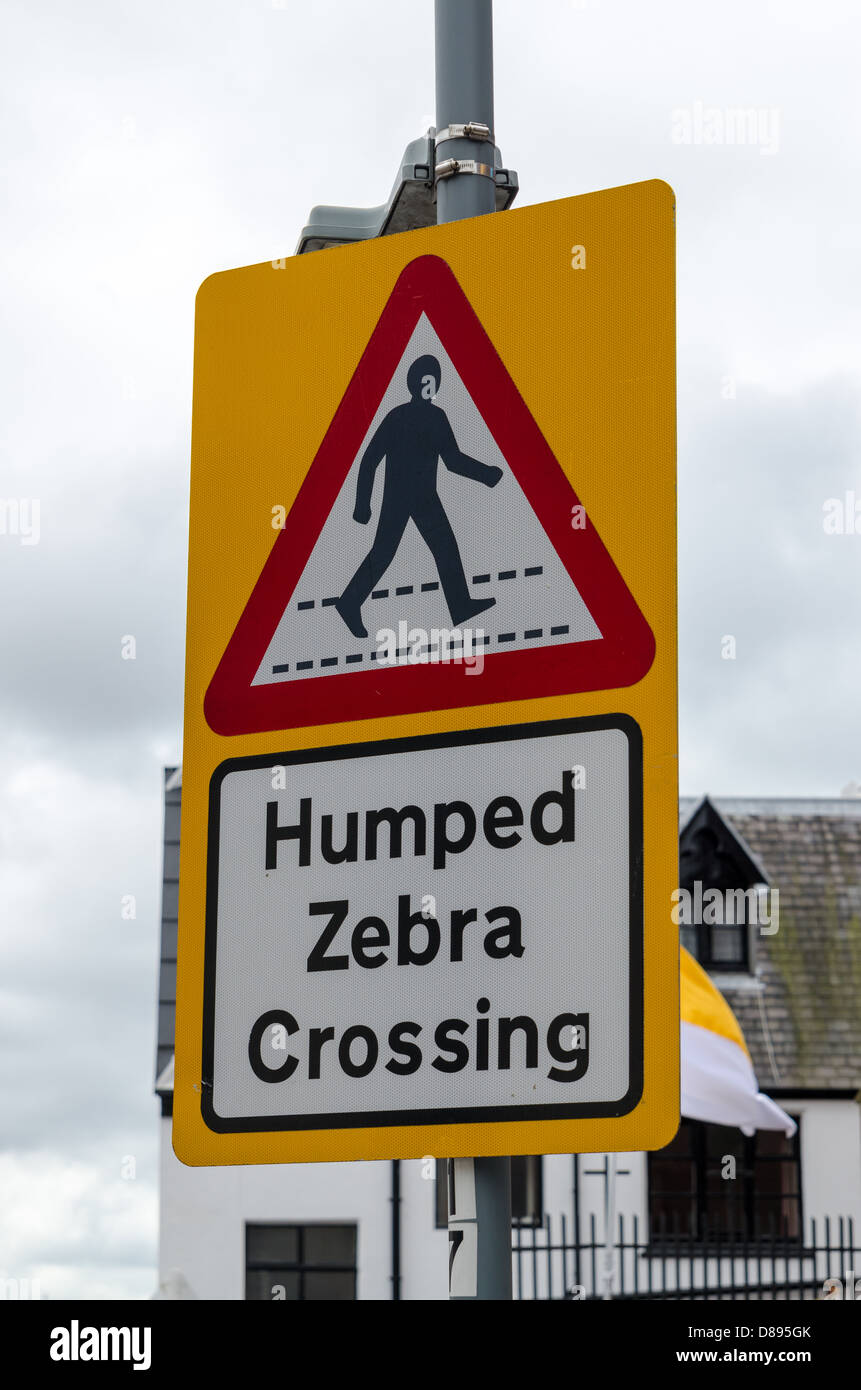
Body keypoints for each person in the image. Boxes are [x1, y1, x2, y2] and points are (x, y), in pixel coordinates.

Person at [335, 354, 501, 640]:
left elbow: (451, 460)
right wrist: (362, 504)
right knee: (387, 553)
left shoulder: (410, 415)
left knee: (443, 548)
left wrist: (486, 475)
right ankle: (349, 602)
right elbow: (371, 458)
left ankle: (460, 606)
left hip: (420, 497)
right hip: (404, 497)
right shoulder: (420, 416)